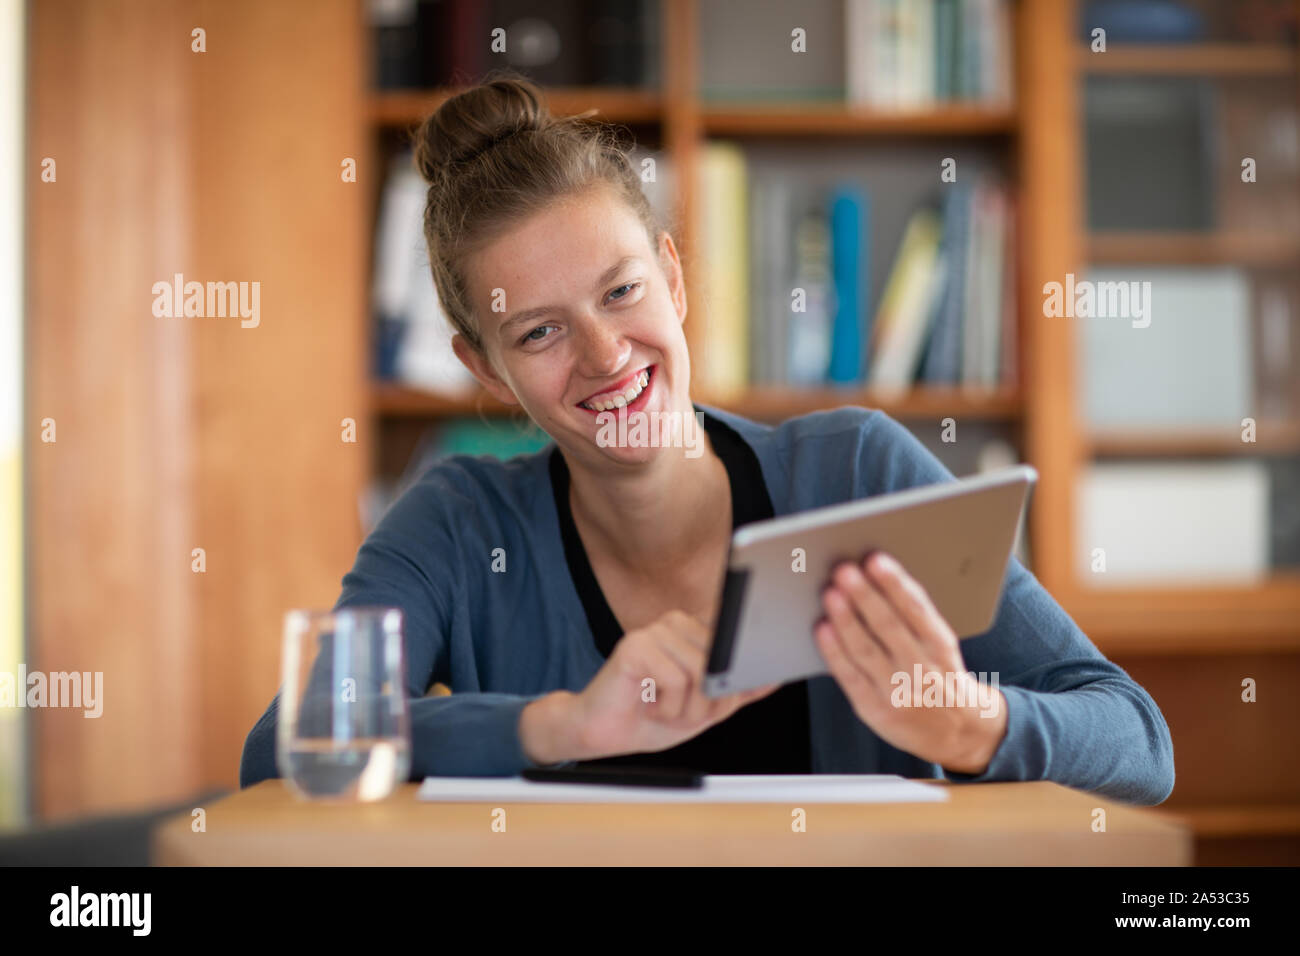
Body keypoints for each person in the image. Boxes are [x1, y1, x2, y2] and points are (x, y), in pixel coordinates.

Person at [240, 71, 1174, 805]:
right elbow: (292, 741)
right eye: (539, 331)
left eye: (621, 292)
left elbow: (1138, 741)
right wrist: (562, 726)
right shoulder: (455, 523)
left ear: (674, 282)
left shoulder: (857, 469)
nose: (607, 357)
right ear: (486, 369)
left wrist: (968, 723)